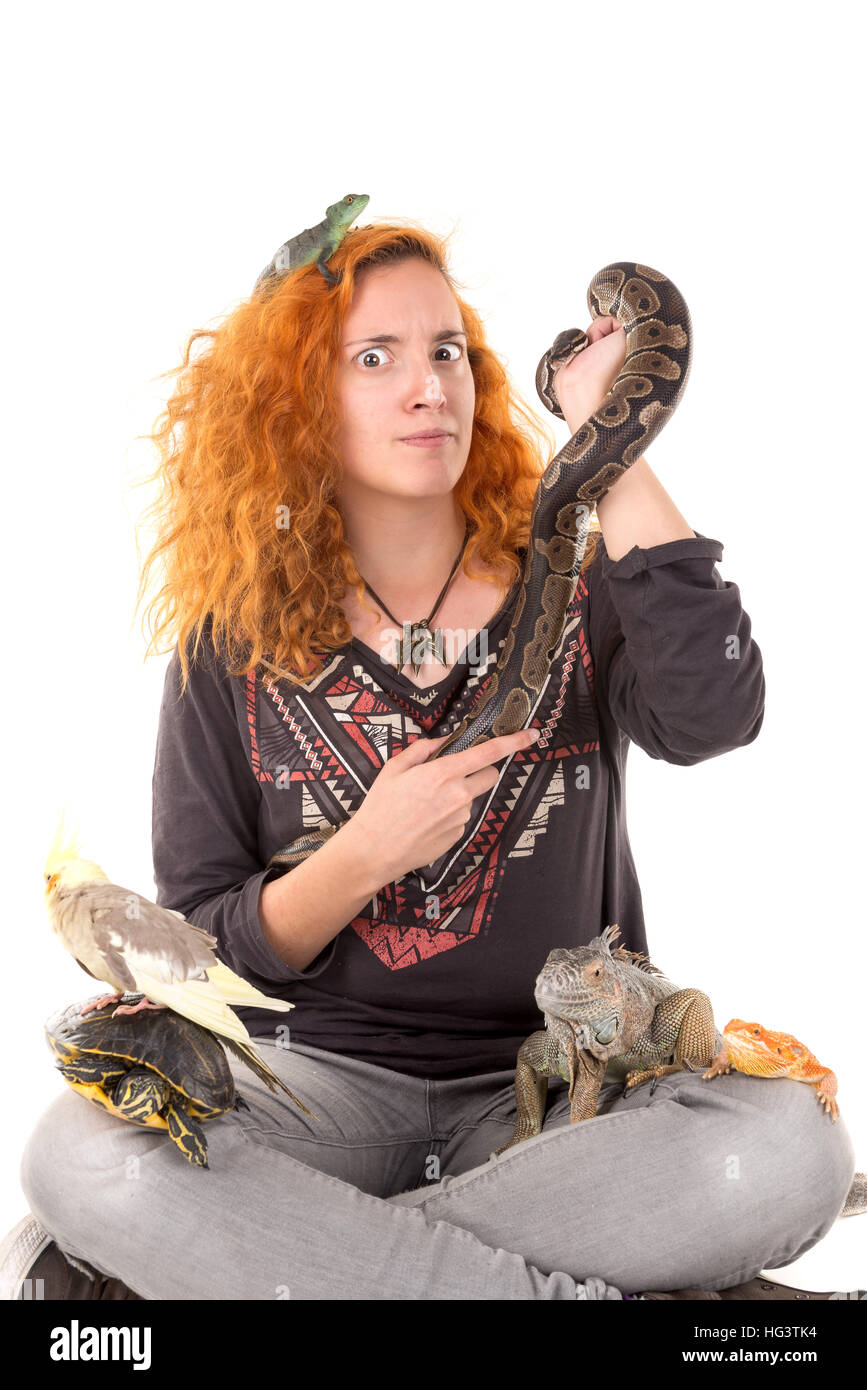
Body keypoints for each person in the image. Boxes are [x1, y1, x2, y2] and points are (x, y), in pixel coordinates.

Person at [4, 221, 856, 1301]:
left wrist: (611, 440)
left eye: (447, 350)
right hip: (311, 1097)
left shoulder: (584, 590)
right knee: (77, 1153)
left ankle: (291, 1267)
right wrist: (360, 857)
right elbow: (199, 954)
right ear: (300, 404)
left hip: (556, 1108)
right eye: (377, 357)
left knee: (789, 1146)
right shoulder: (230, 646)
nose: (428, 387)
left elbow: (716, 713)